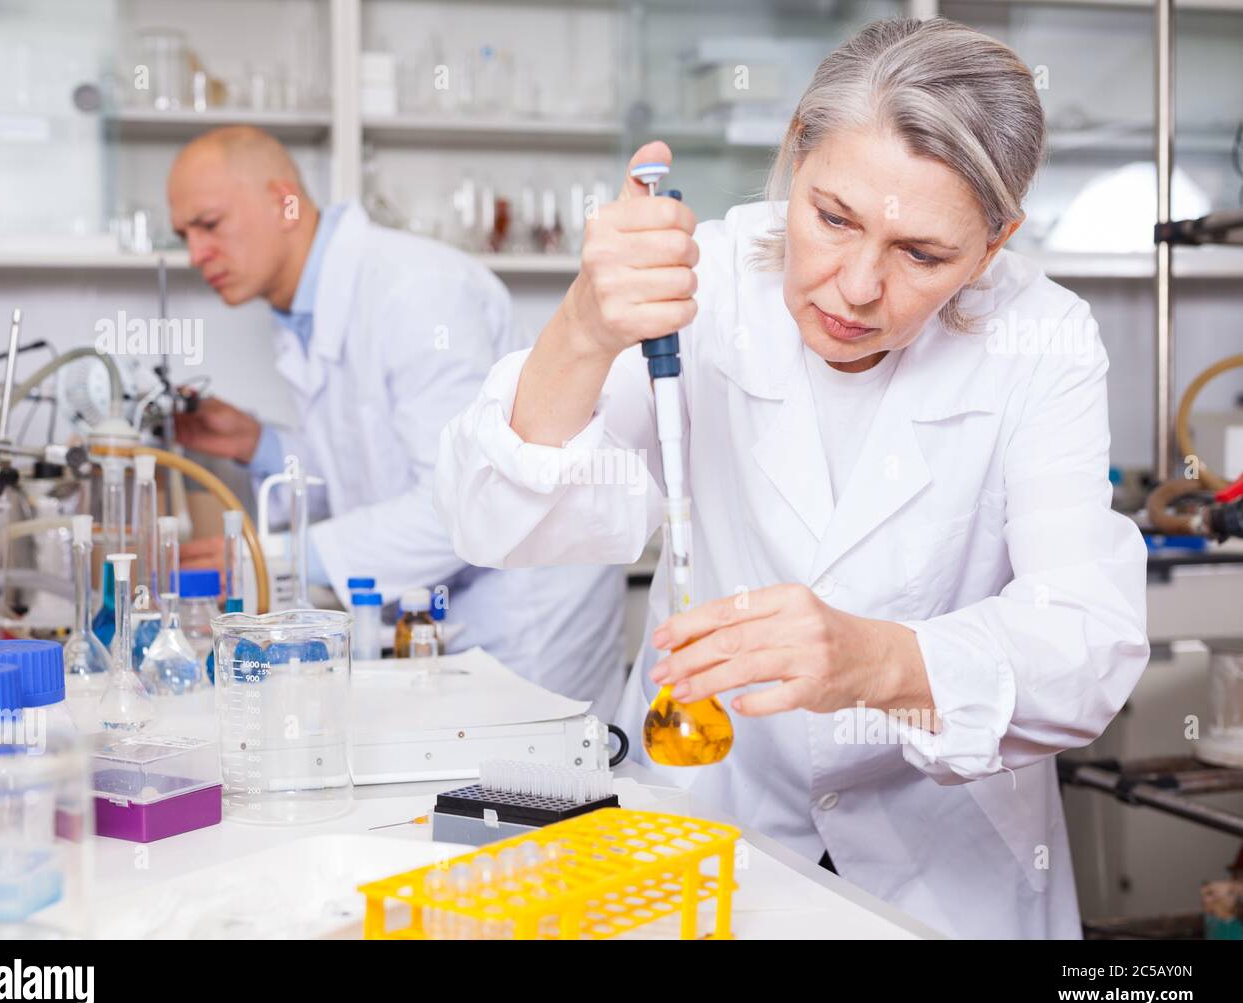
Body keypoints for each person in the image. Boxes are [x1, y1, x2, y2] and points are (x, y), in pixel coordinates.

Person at [434, 17, 1150, 938]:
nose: (855, 286)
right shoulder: (709, 281)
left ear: (995, 242)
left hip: (944, 869)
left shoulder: (1042, 339)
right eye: (832, 218)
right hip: (708, 823)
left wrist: (877, 659)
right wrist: (581, 327)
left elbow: (1087, 643)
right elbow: (493, 521)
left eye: (922, 254)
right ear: (794, 155)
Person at [167, 126, 625, 715]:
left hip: (522, 621)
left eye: (208, 224)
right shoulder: (306, 313)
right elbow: (376, 469)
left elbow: (463, 500)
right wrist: (259, 444)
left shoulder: (414, 290)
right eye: (184, 235)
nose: (195, 254)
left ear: (283, 200)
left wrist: (271, 556)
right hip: (442, 616)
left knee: (540, 796)